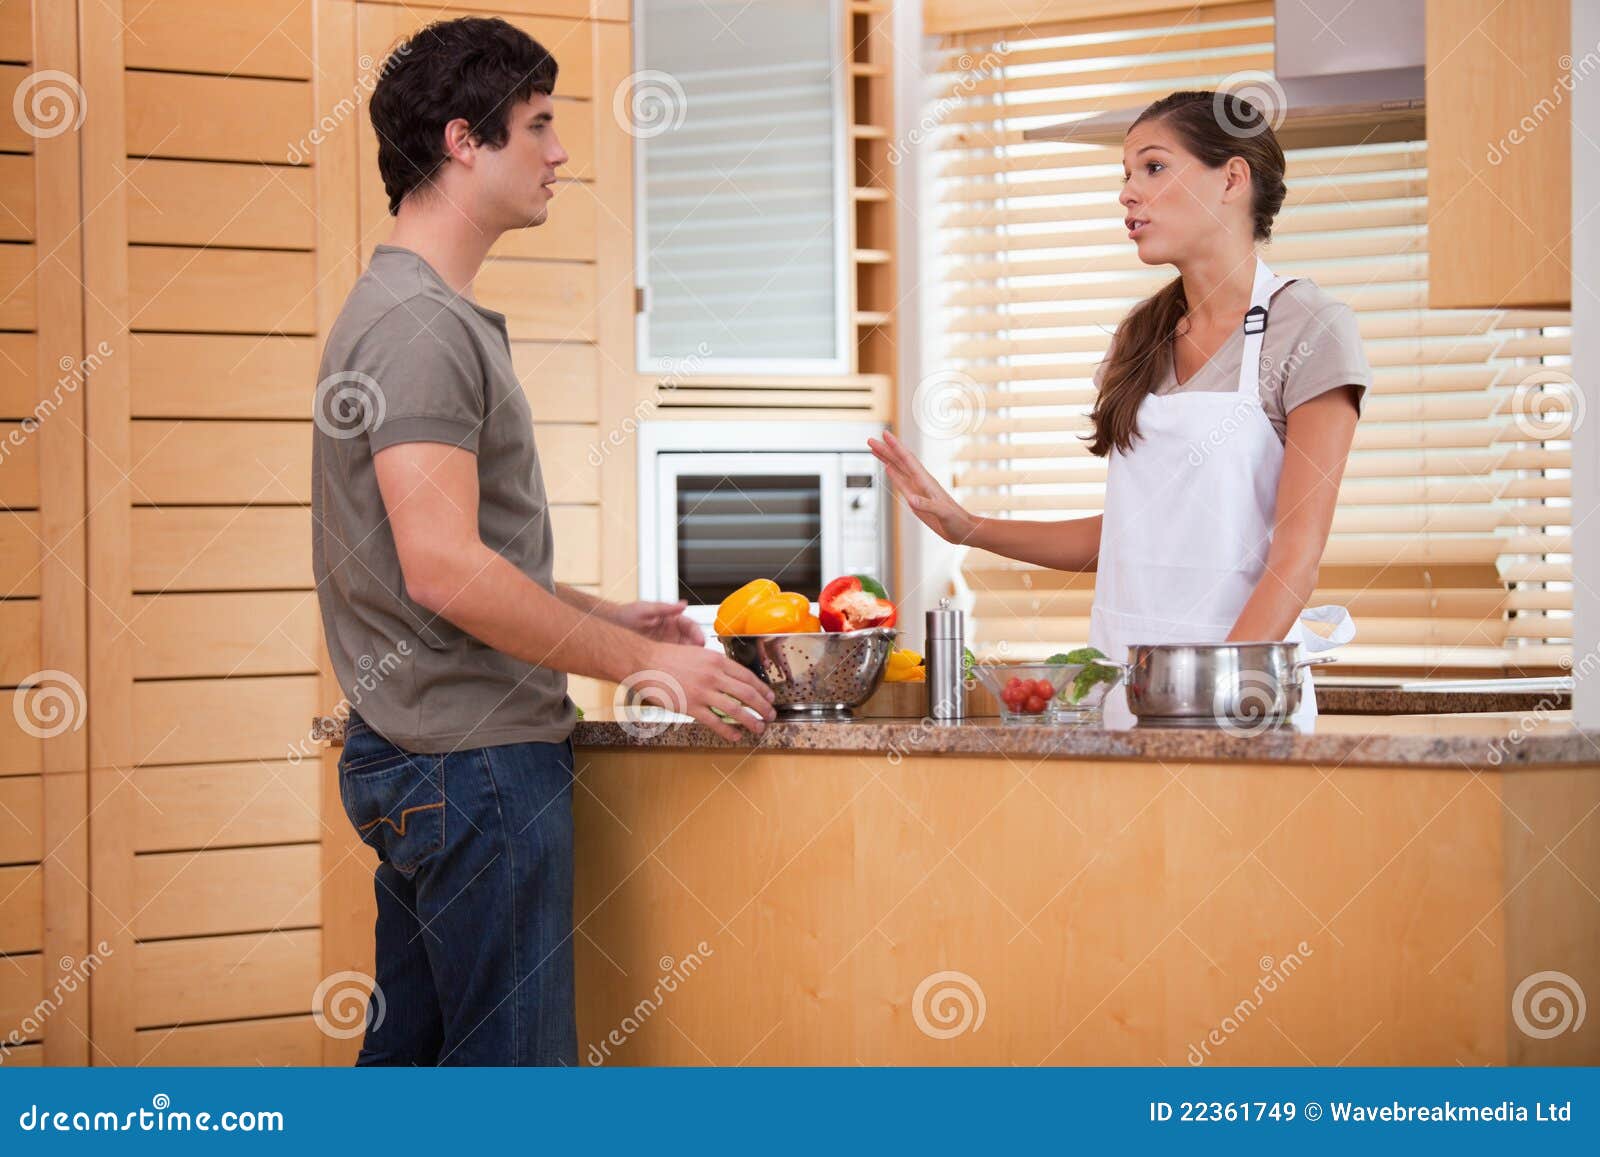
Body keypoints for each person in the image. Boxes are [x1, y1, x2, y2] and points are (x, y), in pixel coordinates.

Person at [311, 16, 775, 1066]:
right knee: (514, 1081)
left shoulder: (414, 312)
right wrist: (650, 660)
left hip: (431, 751)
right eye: (539, 126)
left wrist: (604, 614)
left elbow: (432, 553)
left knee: (414, 1068)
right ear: (463, 139)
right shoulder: (419, 326)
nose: (560, 154)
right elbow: (441, 568)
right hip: (473, 765)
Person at [872, 90, 1367, 729]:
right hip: (1127, 693)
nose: (1128, 194)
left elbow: (1297, 553)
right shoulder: (1143, 336)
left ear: (1232, 179)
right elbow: (1136, 534)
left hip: (1238, 703)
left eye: (1153, 168)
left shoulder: (1311, 329)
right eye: (1126, 176)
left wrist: (1206, 696)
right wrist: (967, 527)